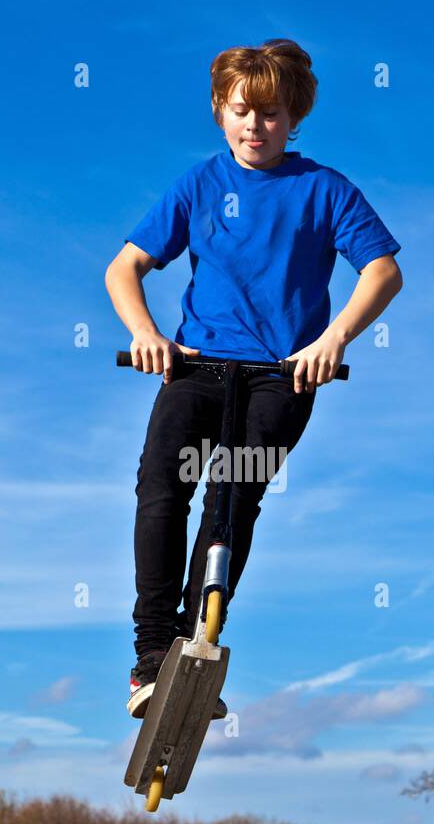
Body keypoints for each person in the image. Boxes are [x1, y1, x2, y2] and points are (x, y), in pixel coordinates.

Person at [105, 38, 402, 717]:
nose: (254, 127)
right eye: (242, 111)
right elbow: (124, 269)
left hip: (281, 377)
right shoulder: (200, 184)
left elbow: (383, 271)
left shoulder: (324, 190)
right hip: (195, 366)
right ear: (219, 110)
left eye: (270, 114)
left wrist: (332, 340)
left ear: (293, 118)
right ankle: (152, 656)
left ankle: (196, 644)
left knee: (233, 496)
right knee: (161, 491)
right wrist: (147, 335)